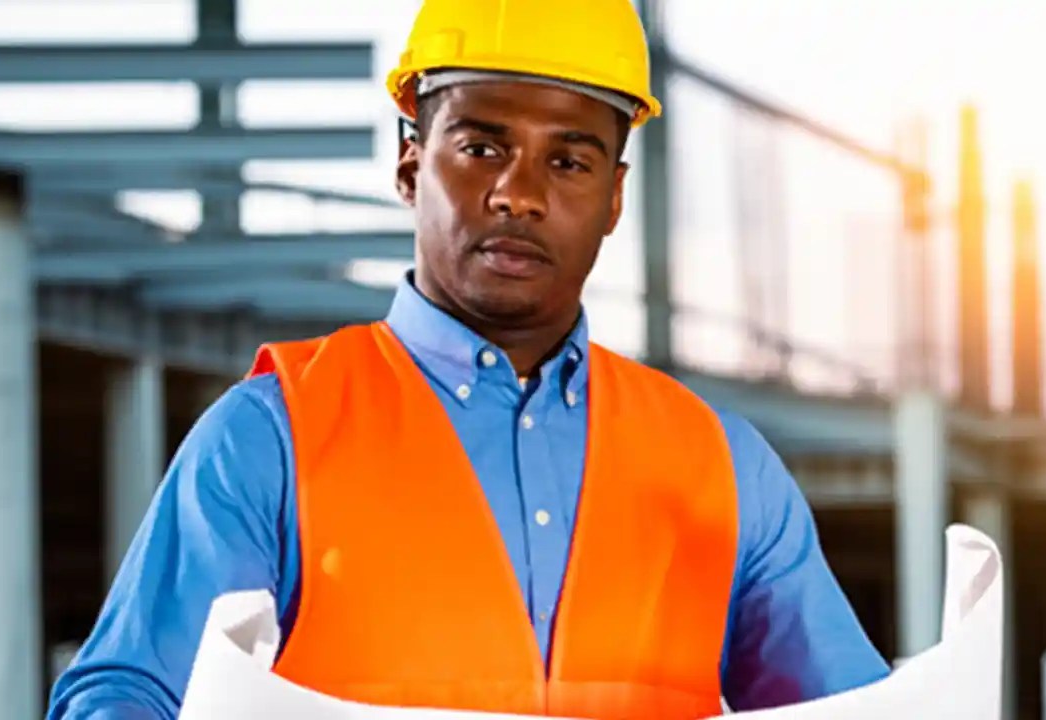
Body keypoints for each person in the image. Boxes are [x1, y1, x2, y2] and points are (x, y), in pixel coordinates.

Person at [47, 0, 889, 717]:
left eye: (568, 160)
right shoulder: (273, 439)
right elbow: (128, 691)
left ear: (614, 199)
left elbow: (852, 712)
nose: (518, 193)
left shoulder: (724, 468)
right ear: (411, 163)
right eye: (482, 147)